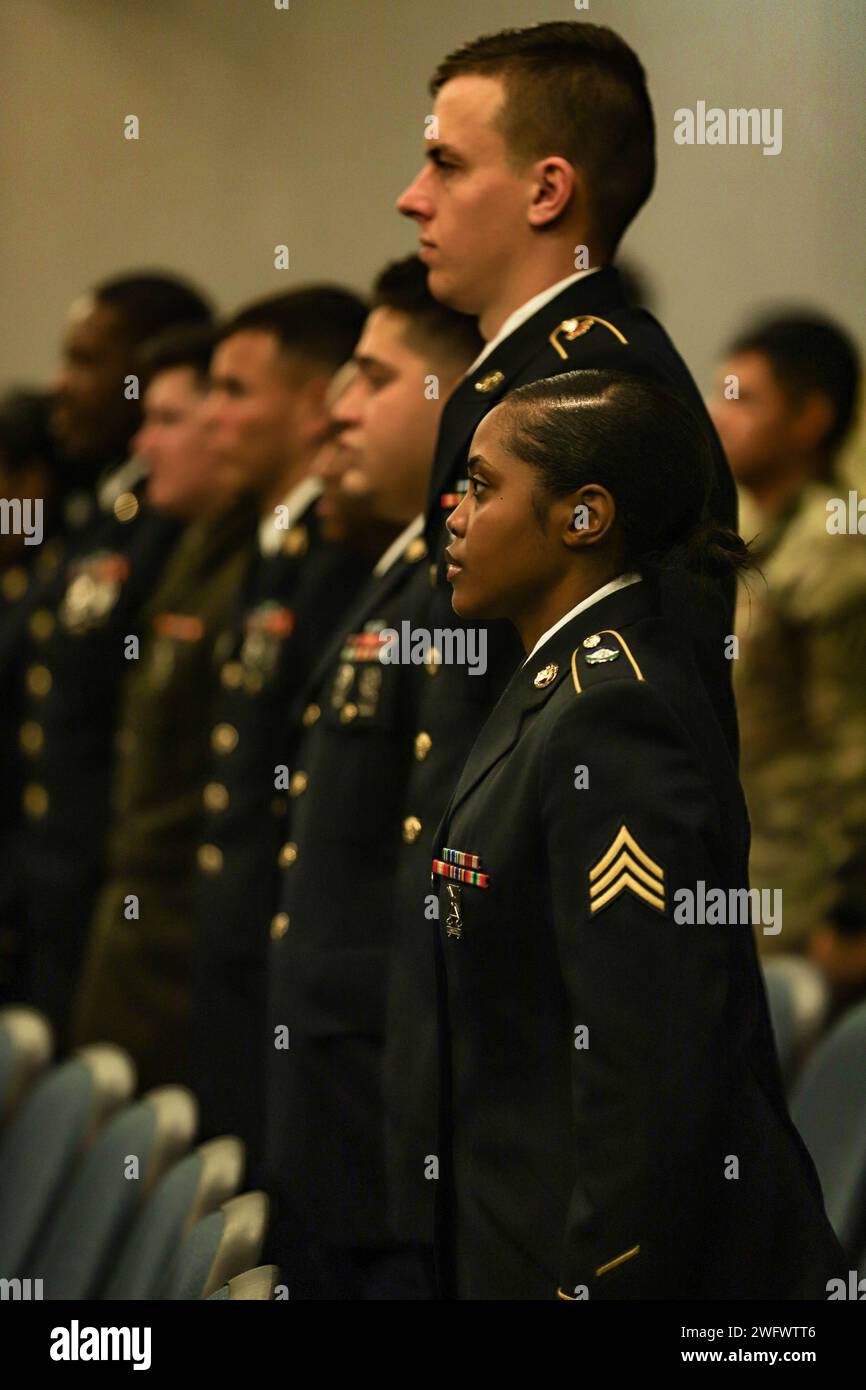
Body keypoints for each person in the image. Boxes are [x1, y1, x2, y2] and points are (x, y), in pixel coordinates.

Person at [385, 18, 738, 1270]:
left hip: (544, 1044)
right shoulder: (510, 381)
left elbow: (630, 737)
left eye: (444, 162)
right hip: (484, 1027)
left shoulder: (594, 399)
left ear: (546, 190)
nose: (407, 195)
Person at [432, 368, 845, 1300]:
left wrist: (604, 1282)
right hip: (519, 1227)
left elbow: (648, 1069)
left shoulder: (610, 718)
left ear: (584, 517)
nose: (453, 516)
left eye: (483, 486)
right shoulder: (561, 681)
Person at [264, 256, 482, 1298]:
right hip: (328, 1122)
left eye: (373, 377)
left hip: (381, 1147)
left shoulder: (457, 588)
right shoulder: (400, 567)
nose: (337, 409)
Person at [3, 272, 212, 1041]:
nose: (64, 385)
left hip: (113, 905)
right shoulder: (103, 516)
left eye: (86, 361)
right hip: (49, 898)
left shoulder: (166, 531)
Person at [189, 287, 369, 1160]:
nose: (209, 417)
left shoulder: (333, 559)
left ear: (312, 405)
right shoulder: (270, 547)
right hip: (230, 956)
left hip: (283, 969)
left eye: (233, 391)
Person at [70, 323, 257, 1087]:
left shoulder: (251, 569)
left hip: (180, 946)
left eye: (170, 420)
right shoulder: (181, 550)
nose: (145, 445)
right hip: (134, 931)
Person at [710, 314, 866, 979]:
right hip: (736, 875)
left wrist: (854, 908)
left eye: (745, 399)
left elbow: (856, 750)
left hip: (805, 895)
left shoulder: (833, 552)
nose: (720, 415)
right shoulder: (740, 530)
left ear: (809, 419)